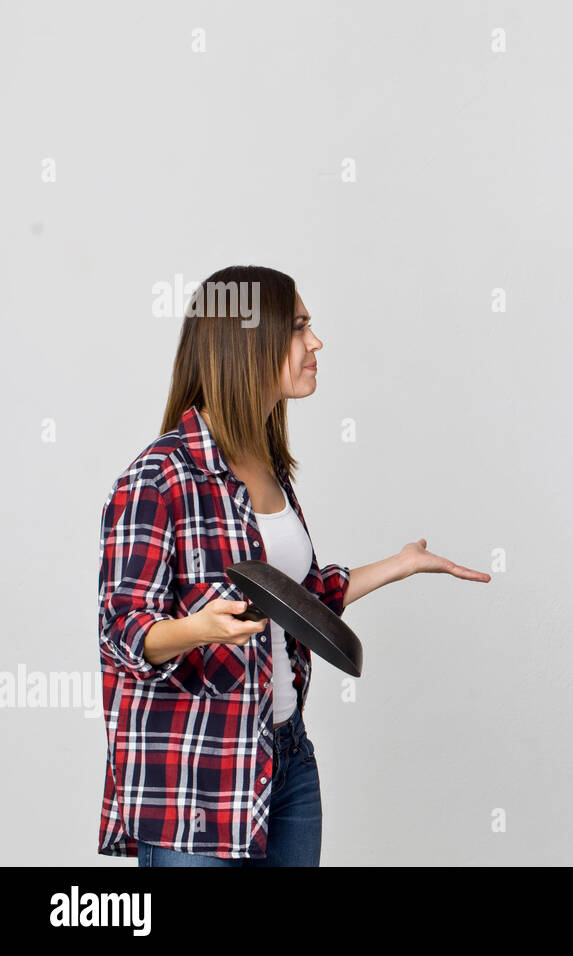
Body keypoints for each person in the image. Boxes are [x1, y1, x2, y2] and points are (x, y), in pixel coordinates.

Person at [97, 265, 491, 865]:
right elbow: (122, 634)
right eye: (300, 326)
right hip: (197, 782)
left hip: (286, 758)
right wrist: (201, 628)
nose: (316, 343)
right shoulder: (160, 475)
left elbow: (298, 597)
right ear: (248, 342)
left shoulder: (267, 462)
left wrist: (401, 565)